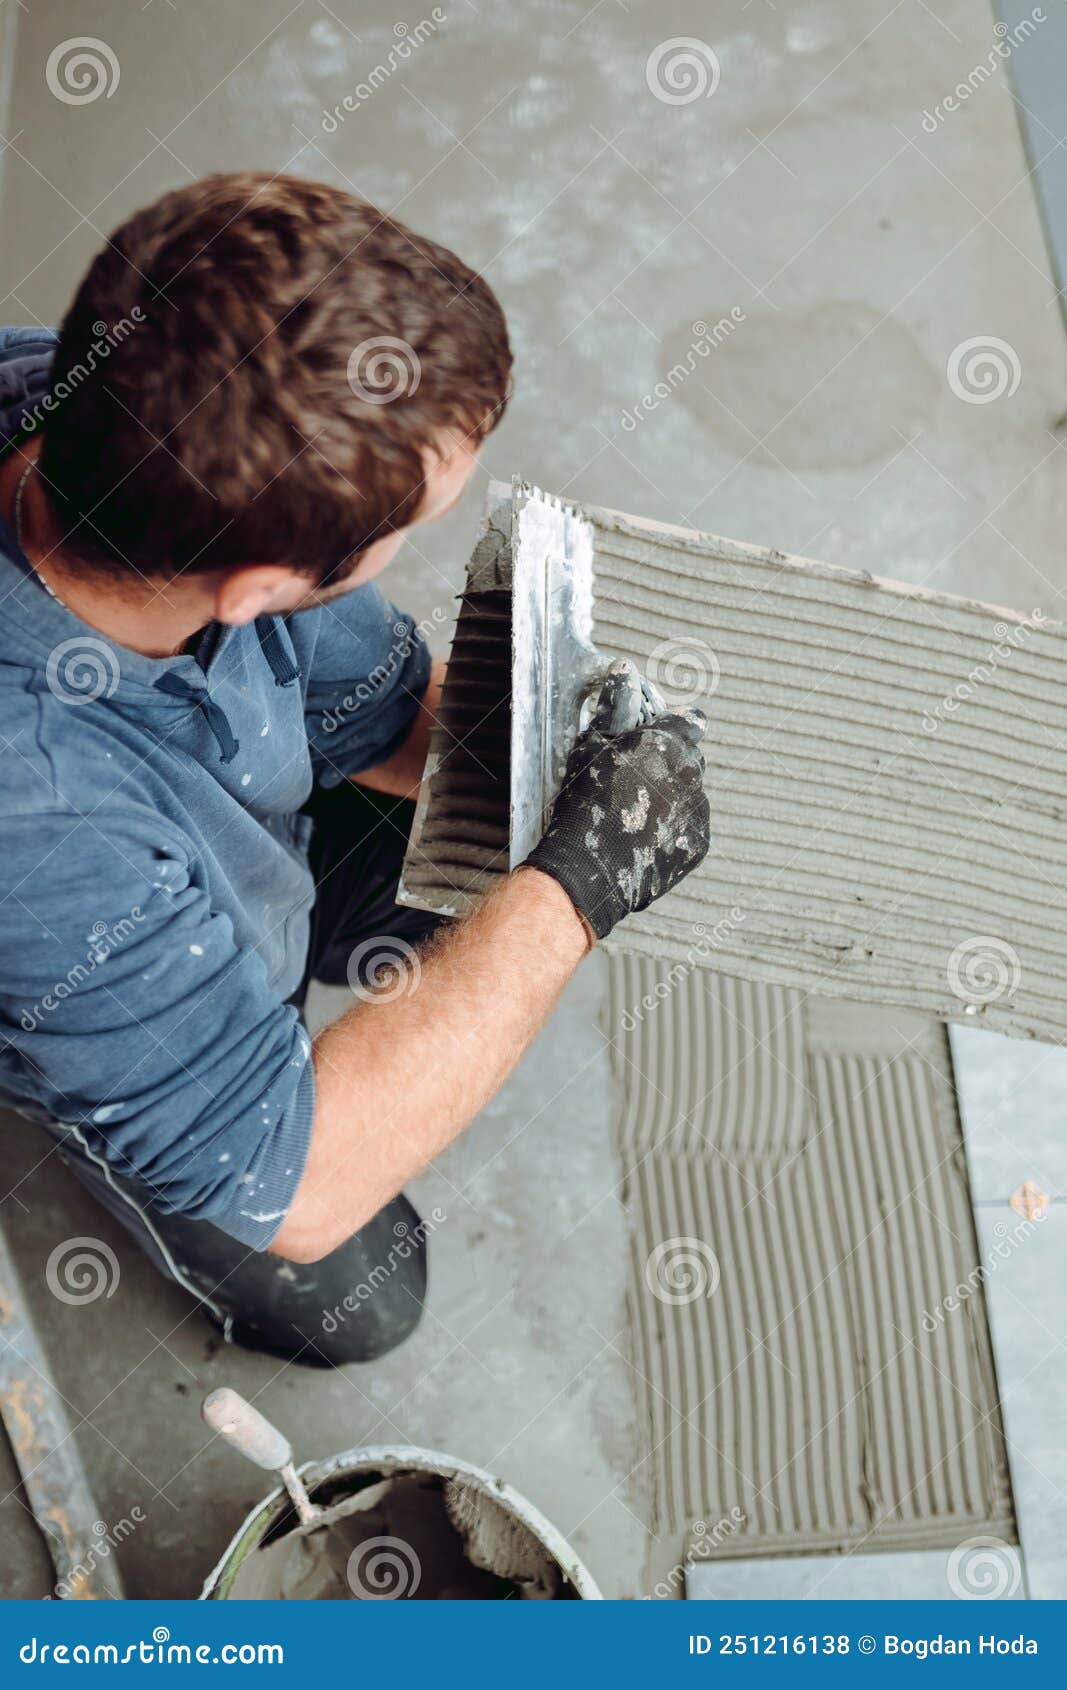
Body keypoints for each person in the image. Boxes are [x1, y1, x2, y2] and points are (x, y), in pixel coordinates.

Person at [0, 173, 709, 1368]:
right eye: (400, 534)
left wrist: (550, 742)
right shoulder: (50, 839)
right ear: (252, 592)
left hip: (179, 828)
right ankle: (119, 1108)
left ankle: (334, 932)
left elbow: (368, 709)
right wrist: (573, 890)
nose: (407, 552)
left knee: (472, 862)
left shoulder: (79, 393)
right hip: (78, 953)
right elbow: (308, 1182)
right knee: (363, 1297)